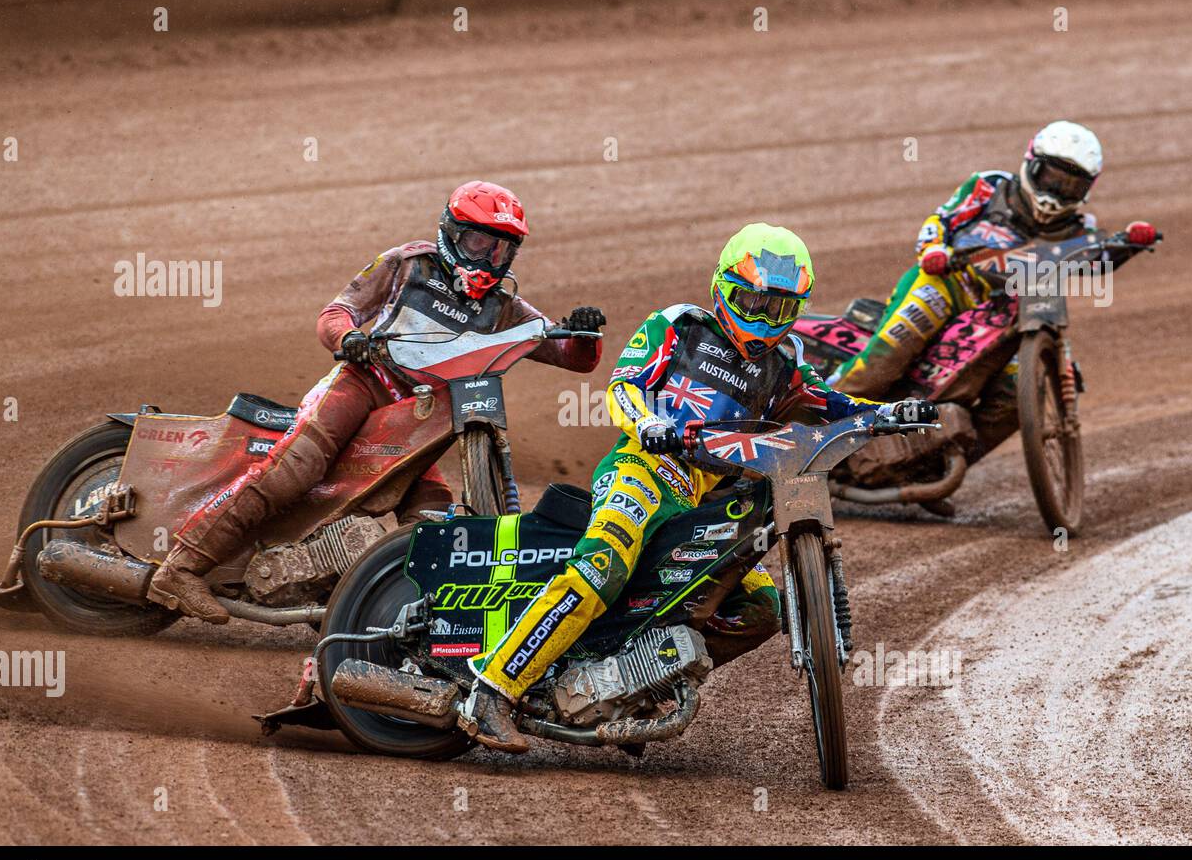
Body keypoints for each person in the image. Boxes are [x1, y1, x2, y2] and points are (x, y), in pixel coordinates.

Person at [461, 222, 936, 752]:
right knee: (603, 565)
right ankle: (491, 690)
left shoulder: (787, 363)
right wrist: (646, 423)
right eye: (752, 301)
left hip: (705, 502)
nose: (762, 320)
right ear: (722, 287)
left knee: (759, 608)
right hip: (642, 470)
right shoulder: (680, 325)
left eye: (778, 309)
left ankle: (630, 687)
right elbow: (625, 384)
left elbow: (834, 404)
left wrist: (889, 413)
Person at [147, 181, 605, 624]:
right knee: (296, 470)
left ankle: (412, 623)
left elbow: (570, 355)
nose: (490, 257)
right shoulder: (408, 264)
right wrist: (350, 338)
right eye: (480, 241)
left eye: (502, 248)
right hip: (363, 384)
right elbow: (335, 313)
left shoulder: (505, 307)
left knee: (431, 513)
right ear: (451, 231)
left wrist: (585, 333)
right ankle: (180, 570)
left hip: (416, 421)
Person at [831, 121, 1156, 462]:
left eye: (1069, 186)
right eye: (1050, 178)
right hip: (950, 285)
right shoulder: (989, 186)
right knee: (887, 358)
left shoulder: (1078, 229)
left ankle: (931, 463)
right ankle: (818, 429)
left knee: (1020, 392)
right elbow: (941, 220)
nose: (1055, 193)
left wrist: (1129, 243)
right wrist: (933, 250)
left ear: (1086, 190)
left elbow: (1093, 263)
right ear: (1032, 164)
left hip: (1012, 314)